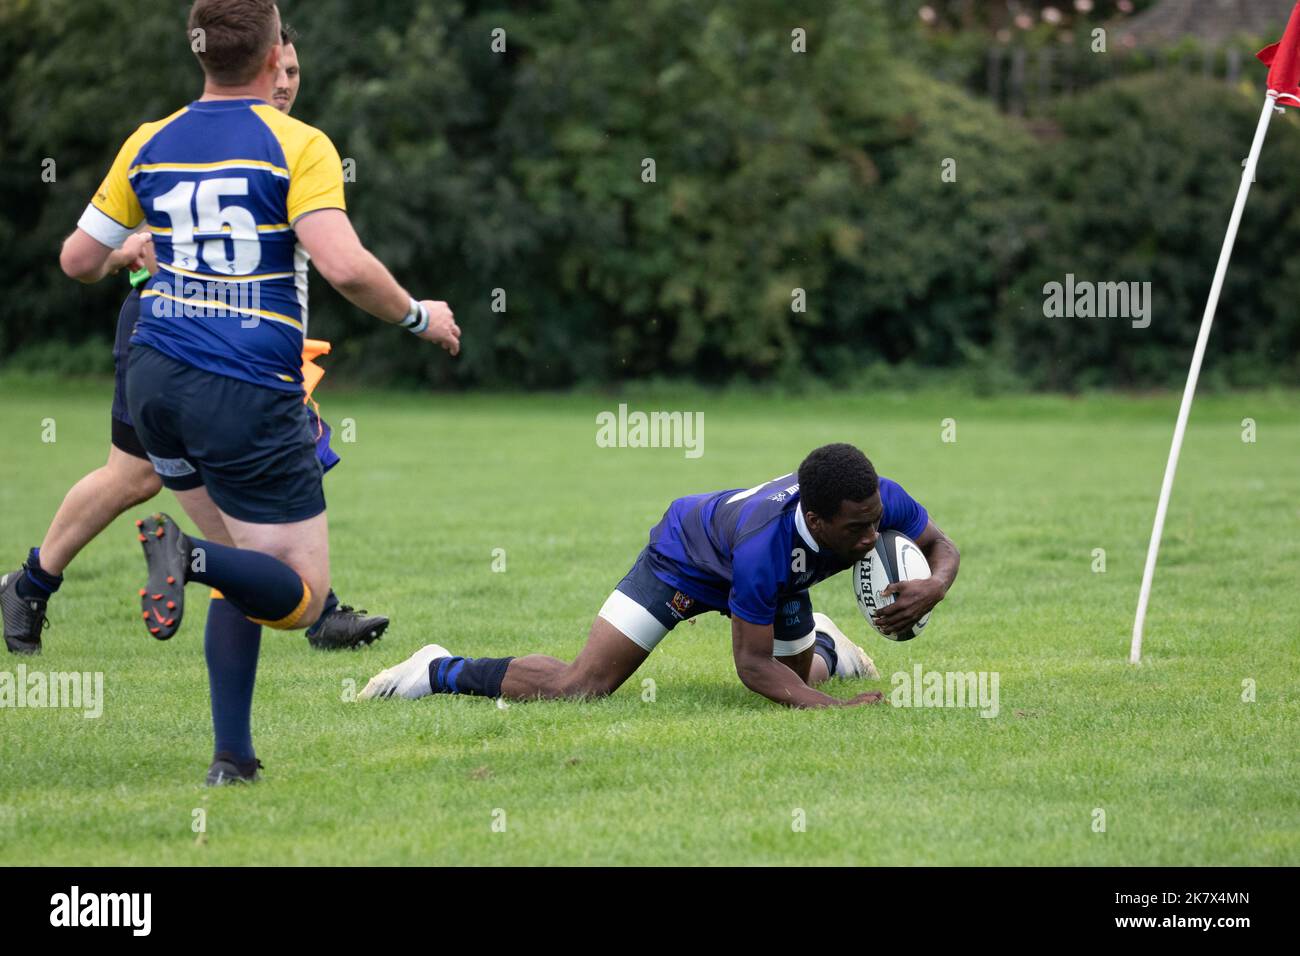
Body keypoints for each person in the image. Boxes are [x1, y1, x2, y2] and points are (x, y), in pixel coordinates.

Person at [54, 0, 459, 784]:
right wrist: (419, 317)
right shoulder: (295, 143)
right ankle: (187, 557)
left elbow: (76, 258)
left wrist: (129, 253)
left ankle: (232, 759)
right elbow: (343, 266)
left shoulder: (150, 141)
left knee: (244, 566)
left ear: (201, 54)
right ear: (276, 55)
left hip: (154, 380)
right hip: (242, 389)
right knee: (302, 597)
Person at [0, 22, 386, 654]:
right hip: (170, 335)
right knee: (133, 478)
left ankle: (308, 610)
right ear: (257, 62)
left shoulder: (283, 145)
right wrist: (125, 248)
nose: (286, 82)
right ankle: (35, 581)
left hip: (227, 352)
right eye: (278, 69)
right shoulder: (189, 139)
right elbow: (83, 255)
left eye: (295, 72)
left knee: (263, 454)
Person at [361, 443, 959, 709]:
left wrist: (935, 584)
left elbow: (941, 545)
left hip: (780, 583)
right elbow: (750, 667)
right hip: (685, 558)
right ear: (814, 515)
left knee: (804, 677)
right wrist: (836, 711)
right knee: (582, 687)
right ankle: (436, 670)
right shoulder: (763, 546)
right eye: (855, 530)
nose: (868, 540)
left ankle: (829, 642)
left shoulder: (877, 500)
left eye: (874, 525)